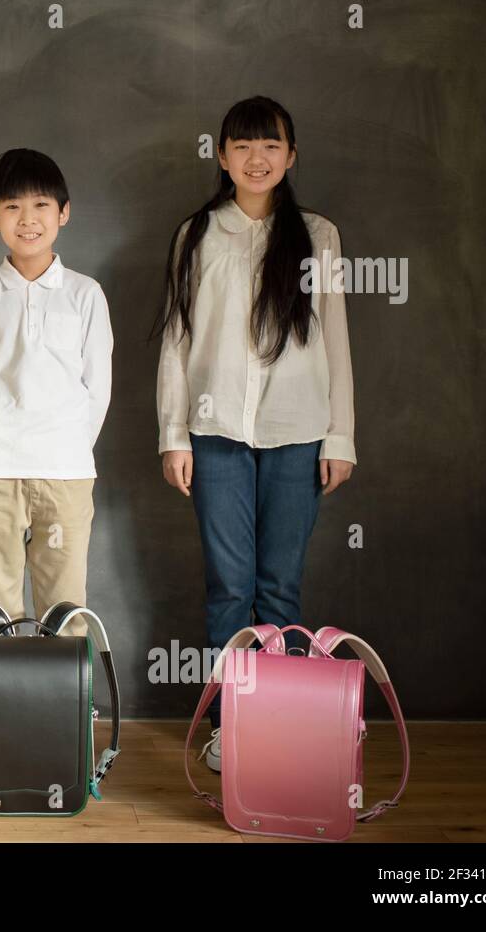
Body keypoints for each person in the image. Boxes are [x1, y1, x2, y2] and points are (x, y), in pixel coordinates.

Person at [152, 96, 356, 771]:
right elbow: (177, 344)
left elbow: (337, 342)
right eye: (243, 145)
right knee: (228, 587)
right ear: (222, 155)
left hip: (298, 433)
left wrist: (341, 436)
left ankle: (286, 720)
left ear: (291, 156)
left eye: (271, 145)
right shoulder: (198, 234)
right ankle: (232, 724)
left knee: (280, 588)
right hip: (214, 435)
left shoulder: (319, 236)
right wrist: (172, 435)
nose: (257, 158)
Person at [0, 148, 114, 639]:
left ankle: (65, 713)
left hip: (65, 473)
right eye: (12, 206)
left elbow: (96, 388)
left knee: (66, 610)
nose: (28, 220)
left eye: (41, 205)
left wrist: (68, 447)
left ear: (63, 212)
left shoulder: (85, 294)